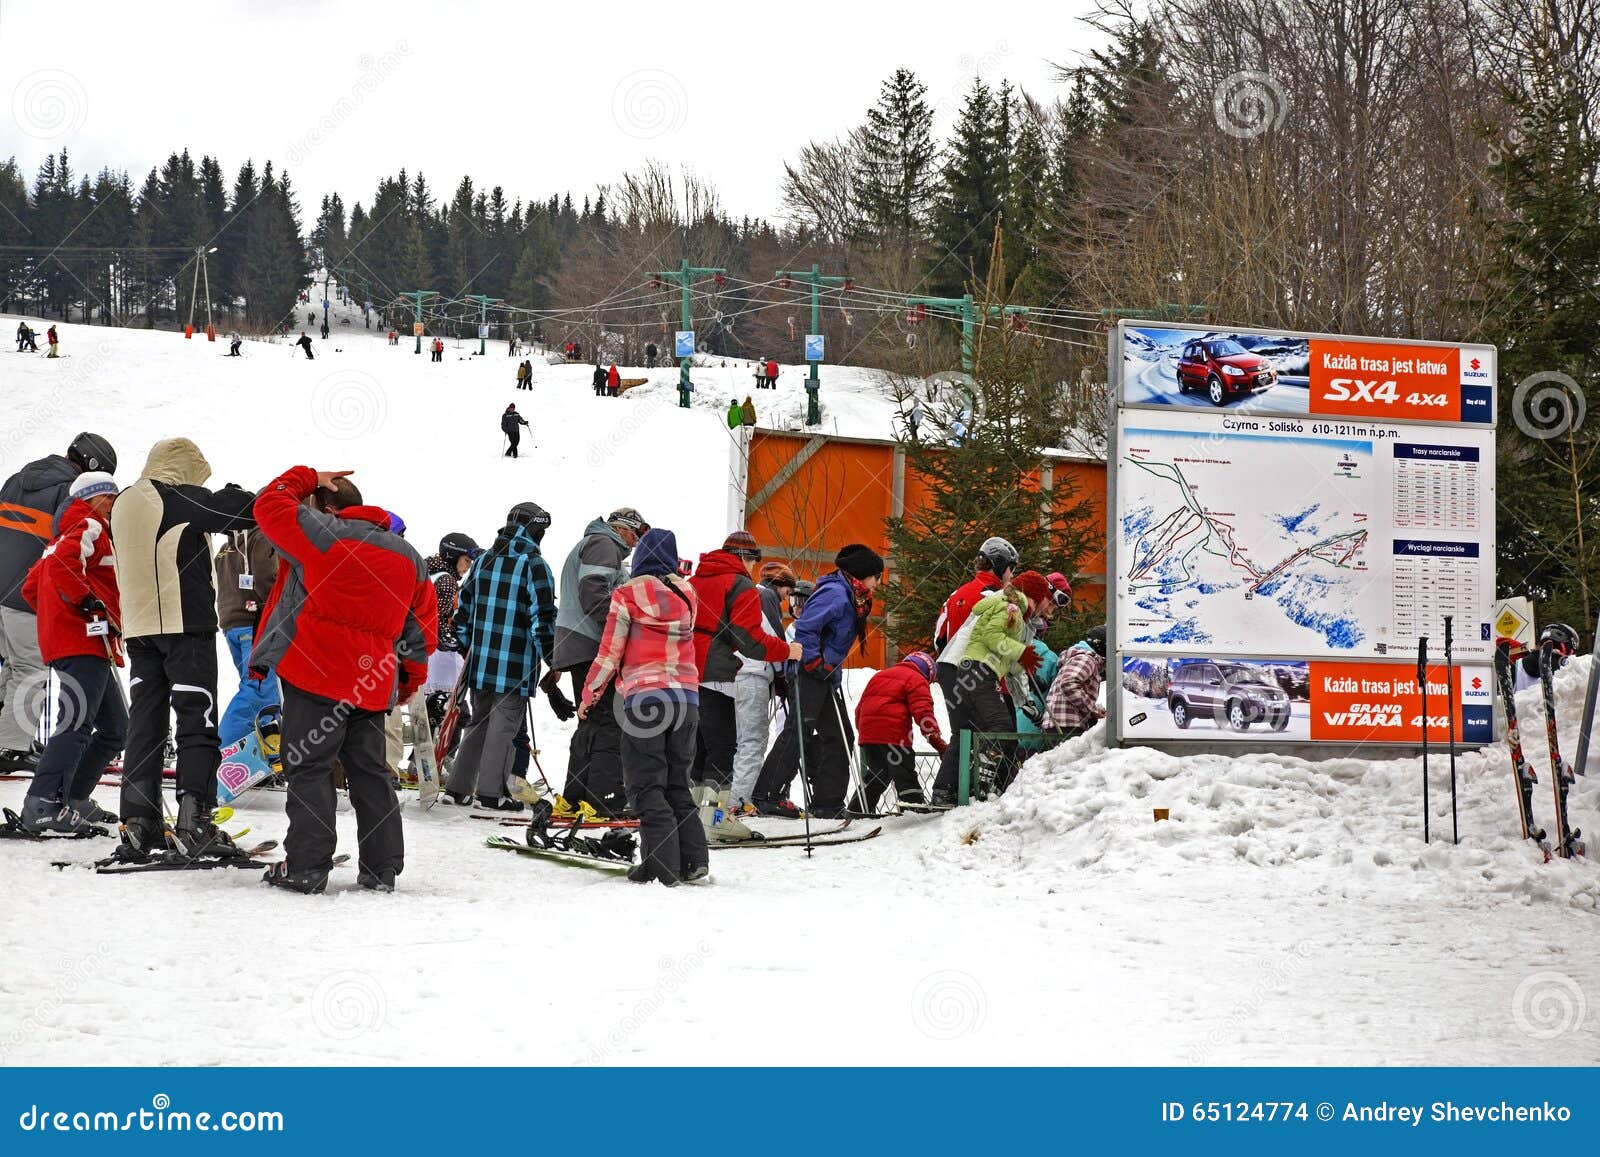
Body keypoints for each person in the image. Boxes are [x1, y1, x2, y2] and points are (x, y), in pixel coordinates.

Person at [253, 467, 437, 893]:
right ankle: (382, 869)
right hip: (370, 684)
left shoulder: (321, 531)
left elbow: (269, 503)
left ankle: (307, 866)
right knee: (371, 772)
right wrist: (409, 679)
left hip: (314, 672)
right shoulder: (408, 556)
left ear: (327, 507)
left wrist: (307, 475)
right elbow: (420, 626)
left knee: (310, 767)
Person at [110, 437, 258, 859]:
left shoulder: (124, 502)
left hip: (139, 631)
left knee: (146, 725)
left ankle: (138, 823)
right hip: (184, 626)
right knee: (197, 721)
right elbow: (240, 511)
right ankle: (197, 823)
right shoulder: (172, 497)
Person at [580, 527, 710, 886]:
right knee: (677, 783)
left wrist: (589, 695)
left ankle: (660, 866)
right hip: (686, 698)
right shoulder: (688, 593)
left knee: (646, 784)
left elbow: (609, 653)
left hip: (645, 699)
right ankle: (693, 860)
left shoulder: (626, 595)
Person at [0, 432, 118, 772]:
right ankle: (11, 747)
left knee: (12, 665)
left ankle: (7, 738)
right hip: (24, 592)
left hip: (1, 591)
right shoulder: (69, 492)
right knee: (30, 668)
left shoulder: (15, 480)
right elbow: (68, 542)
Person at [16, 472, 126, 833]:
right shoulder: (89, 524)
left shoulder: (58, 538)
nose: (114, 503)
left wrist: (59, 618)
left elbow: (32, 589)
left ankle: (74, 797)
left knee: (115, 728)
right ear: (92, 498)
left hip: (77, 642)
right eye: (109, 496)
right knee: (75, 725)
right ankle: (43, 805)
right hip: (84, 642)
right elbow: (66, 566)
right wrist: (87, 604)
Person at [754, 545, 882, 818]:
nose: (879, 582)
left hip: (826, 675)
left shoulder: (852, 594)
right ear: (862, 574)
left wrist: (827, 668)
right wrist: (814, 662)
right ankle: (767, 794)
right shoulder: (835, 593)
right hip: (810, 671)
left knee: (839, 735)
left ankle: (828, 802)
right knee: (798, 731)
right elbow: (807, 627)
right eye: (876, 576)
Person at [449, 502, 556, 809]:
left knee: (478, 724)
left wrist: (468, 647)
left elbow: (462, 610)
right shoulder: (534, 564)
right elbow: (543, 618)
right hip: (515, 664)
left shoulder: (483, 560)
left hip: (481, 662)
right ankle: (490, 795)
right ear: (533, 530)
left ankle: (457, 789)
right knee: (503, 728)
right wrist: (552, 659)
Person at [688, 533, 799, 831]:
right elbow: (749, 639)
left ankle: (693, 816)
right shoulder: (739, 584)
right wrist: (787, 650)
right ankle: (715, 819)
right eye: (753, 561)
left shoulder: (697, 580)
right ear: (745, 558)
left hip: (689, 670)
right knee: (723, 749)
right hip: (722, 672)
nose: (752, 568)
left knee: (700, 745)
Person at [551, 507, 647, 816]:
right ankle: (603, 800)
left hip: (579, 643)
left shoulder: (596, 544)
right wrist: (622, 631)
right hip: (591, 643)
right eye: (635, 534)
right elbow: (593, 593)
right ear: (621, 529)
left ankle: (575, 797)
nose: (636, 543)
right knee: (608, 722)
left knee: (591, 721)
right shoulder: (604, 545)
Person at [930, 570, 1054, 806]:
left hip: (965, 668)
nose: (1047, 608)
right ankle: (979, 786)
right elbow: (992, 638)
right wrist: (1021, 653)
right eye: (1046, 599)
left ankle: (948, 790)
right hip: (969, 668)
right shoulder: (1012, 607)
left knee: (968, 730)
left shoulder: (1012, 607)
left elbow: (1004, 658)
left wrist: (1021, 671)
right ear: (1035, 596)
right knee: (994, 727)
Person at [933, 536, 1018, 741]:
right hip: (986, 682)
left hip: (952, 674)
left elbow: (939, 639)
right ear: (1000, 566)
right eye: (1011, 569)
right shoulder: (999, 598)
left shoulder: (954, 596)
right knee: (1000, 742)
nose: (1012, 576)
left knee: (962, 741)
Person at [855, 651, 946, 812]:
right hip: (894, 735)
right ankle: (914, 808)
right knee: (904, 772)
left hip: (868, 734)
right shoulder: (916, 678)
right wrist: (937, 741)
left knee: (878, 774)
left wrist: (865, 732)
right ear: (928, 672)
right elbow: (923, 712)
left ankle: (858, 809)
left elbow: (859, 708)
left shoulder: (880, 676)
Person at [214, 528, 280, 750]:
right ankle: (222, 749)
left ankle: (264, 752)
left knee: (260, 690)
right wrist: (275, 610)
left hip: (232, 624)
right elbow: (265, 578)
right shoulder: (261, 536)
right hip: (255, 625)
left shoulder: (224, 549)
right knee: (259, 690)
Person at [422, 532, 481, 728]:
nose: (468, 566)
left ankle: (421, 757)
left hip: (423, 655)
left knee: (432, 715)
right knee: (456, 716)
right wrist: (456, 639)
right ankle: (444, 759)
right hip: (440, 660)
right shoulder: (447, 582)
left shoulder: (427, 571)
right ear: (452, 556)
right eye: (466, 560)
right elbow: (437, 621)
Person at [1043, 626, 1107, 739]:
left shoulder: (1081, 658)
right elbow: (1068, 683)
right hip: (1067, 723)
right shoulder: (1086, 659)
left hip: (1062, 722)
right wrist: (1091, 709)